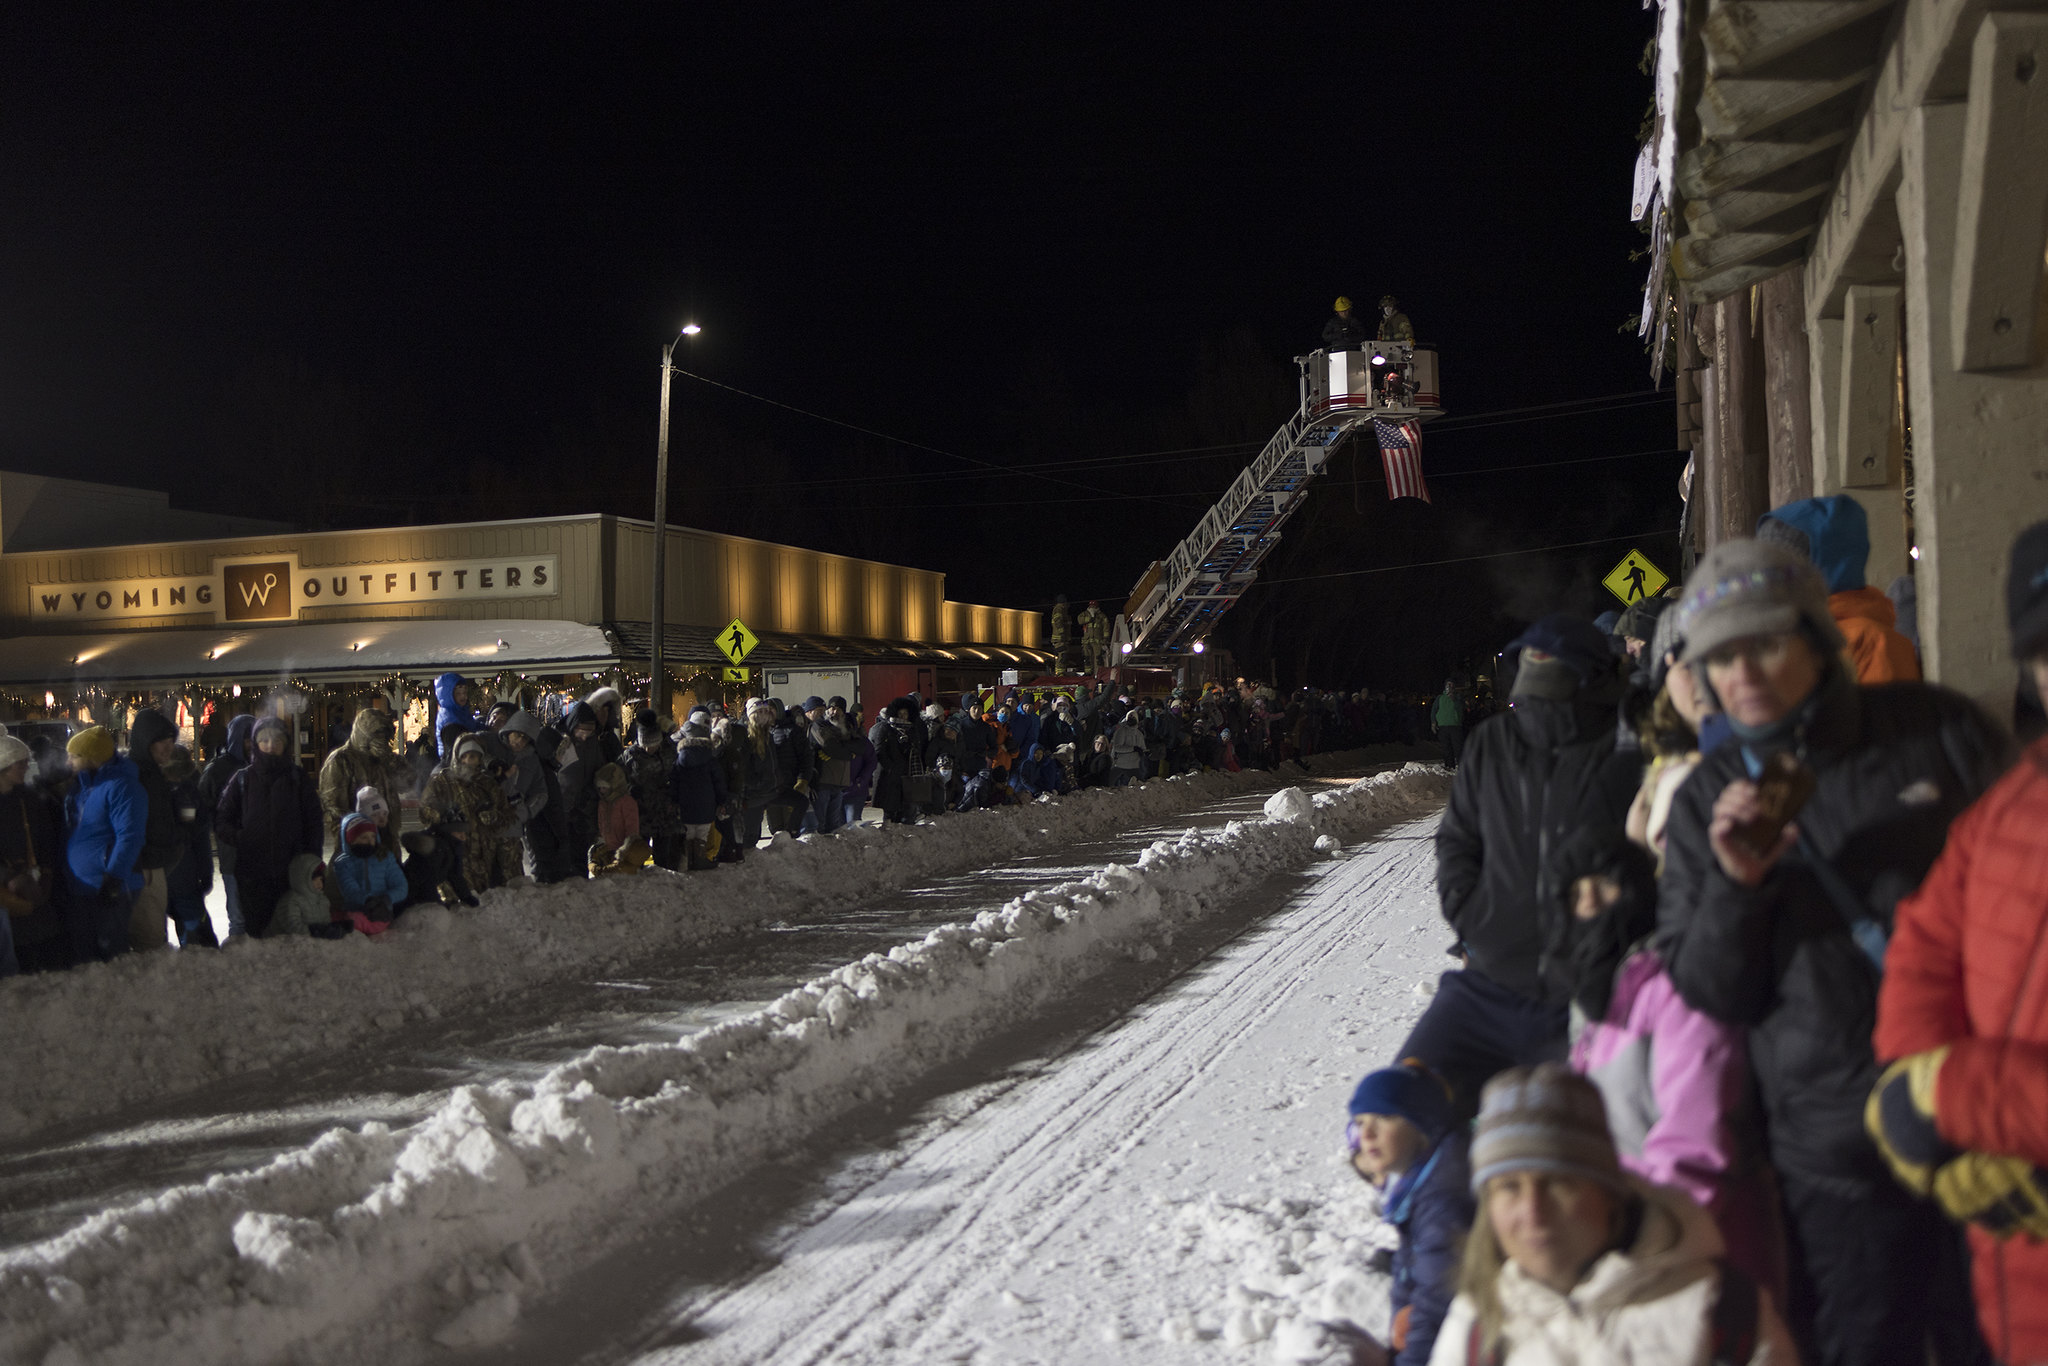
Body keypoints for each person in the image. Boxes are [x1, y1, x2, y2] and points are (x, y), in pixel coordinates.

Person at [1654, 538, 2006, 1366]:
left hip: (1977, 1101)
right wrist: (1737, 883)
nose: (1745, 673)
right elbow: (1710, 991)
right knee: (1861, 1341)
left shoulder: (1936, 729)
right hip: (1836, 1140)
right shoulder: (1708, 797)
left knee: (2000, 1334)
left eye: (1766, 643)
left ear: (1816, 639)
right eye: (1721, 657)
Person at [1866, 519, 2048, 1366]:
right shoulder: (2011, 805)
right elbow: (1924, 942)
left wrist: (1948, 1099)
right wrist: (1913, 1081)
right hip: (2009, 1276)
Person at [1411, 614, 1638, 1117]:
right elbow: (1458, 838)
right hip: (1493, 975)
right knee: (1411, 1109)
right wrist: (1471, 915)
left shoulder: (1629, 747)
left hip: (1596, 989)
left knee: (1572, 1140)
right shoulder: (1492, 742)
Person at [1550, 826, 1781, 1300]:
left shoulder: (1675, 990)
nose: (1591, 903)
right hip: (1623, 1240)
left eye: (1604, 885)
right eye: (1577, 894)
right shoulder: (1599, 1006)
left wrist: (1633, 1243)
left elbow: (1696, 1142)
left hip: (1698, 1251)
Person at [1435, 1063, 1797, 1365]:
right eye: (1509, 1187)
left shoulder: (1722, 1314)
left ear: (1609, 1192)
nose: (1533, 1212)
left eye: (1560, 1182)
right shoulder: (1475, 1329)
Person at [1345, 1062, 1470, 1366]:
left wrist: (1408, 1360)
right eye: (1360, 1122)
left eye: (1384, 1117)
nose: (1368, 1134)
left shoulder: (1443, 1201)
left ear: (1422, 1127)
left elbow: (1436, 1305)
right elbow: (1411, 1273)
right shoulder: (1418, 1187)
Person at [1757, 495, 1919, 683]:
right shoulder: (1782, 635)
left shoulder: (1872, 642)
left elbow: (1887, 712)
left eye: (1780, 567)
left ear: (1818, 569)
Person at [214, 715, 323, 938]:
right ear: (256, 743)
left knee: (292, 931)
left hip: (292, 872)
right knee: (257, 932)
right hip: (252, 874)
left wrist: (313, 865)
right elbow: (222, 820)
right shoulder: (242, 779)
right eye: (264, 740)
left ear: (285, 743)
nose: (271, 746)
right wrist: (241, 837)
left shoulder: (298, 778)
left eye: (277, 740)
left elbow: (314, 825)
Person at [63, 725, 147, 960]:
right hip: (84, 884)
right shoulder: (82, 787)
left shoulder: (123, 787)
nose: (68, 761)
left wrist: (114, 878)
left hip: (111, 884)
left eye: (73, 756)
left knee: (110, 951)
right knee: (88, 951)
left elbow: (130, 835)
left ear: (91, 757)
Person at [0, 733, 69, 973]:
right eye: (20, 763)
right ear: (4, 766)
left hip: (36, 885)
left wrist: (48, 874)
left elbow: (46, 837)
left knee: (43, 948)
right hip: (7, 892)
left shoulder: (30, 798)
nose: (27, 767)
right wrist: (9, 877)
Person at [423, 733, 516, 894]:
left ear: (480, 759)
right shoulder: (442, 782)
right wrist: (444, 820)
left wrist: (494, 817)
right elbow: (425, 810)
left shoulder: (488, 784)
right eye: (463, 756)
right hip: (452, 853)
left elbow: (507, 815)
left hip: (482, 855)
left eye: (472, 757)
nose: (467, 761)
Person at [126, 708, 186, 951]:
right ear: (145, 740)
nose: (168, 747)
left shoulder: (153, 774)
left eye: (171, 741)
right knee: (149, 941)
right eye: (161, 740)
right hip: (145, 868)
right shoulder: (136, 775)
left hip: (155, 863)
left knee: (154, 934)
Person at [197, 713, 256, 937]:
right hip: (232, 849)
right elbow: (204, 807)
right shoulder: (217, 770)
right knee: (238, 914)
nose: (252, 744)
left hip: (260, 850)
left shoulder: (263, 765)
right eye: (247, 739)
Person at [318, 707, 407, 856]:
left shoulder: (382, 759)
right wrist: (355, 834)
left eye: (384, 735)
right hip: (357, 841)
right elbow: (332, 806)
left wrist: (391, 761)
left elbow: (408, 782)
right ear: (364, 735)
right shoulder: (341, 760)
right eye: (377, 734)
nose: (381, 740)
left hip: (388, 838)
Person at [160, 745, 217, 948]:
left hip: (176, 874)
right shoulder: (188, 793)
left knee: (163, 936)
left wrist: (206, 871)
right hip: (176, 874)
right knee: (190, 931)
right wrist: (205, 871)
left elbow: (200, 837)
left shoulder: (187, 793)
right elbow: (199, 836)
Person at [499, 710, 566, 883]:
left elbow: (540, 792)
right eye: (518, 735)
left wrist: (527, 811)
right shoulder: (495, 750)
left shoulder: (531, 760)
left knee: (512, 877)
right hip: (488, 822)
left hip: (513, 825)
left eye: (525, 738)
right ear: (509, 731)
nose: (520, 741)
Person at [621, 713, 682, 869]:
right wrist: (631, 790)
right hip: (641, 814)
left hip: (665, 813)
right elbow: (620, 781)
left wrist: (674, 795)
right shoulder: (631, 756)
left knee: (664, 858)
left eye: (653, 745)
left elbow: (678, 774)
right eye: (645, 745)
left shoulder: (669, 750)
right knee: (638, 856)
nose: (649, 749)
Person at [670, 714, 729, 869]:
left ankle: (687, 860)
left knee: (688, 833)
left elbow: (674, 782)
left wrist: (674, 801)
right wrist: (722, 801)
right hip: (706, 804)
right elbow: (719, 782)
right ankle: (699, 859)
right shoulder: (710, 758)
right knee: (702, 834)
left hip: (685, 805)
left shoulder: (680, 759)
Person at [331, 812, 405, 929]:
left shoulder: (385, 858)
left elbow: (400, 885)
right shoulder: (343, 863)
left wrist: (386, 900)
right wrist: (368, 901)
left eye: (373, 836)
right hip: (356, 910)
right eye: (364, 837)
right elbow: (349, 889)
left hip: (383, 912)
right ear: (351, 840)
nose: (370, 842)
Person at [869, 697, 929, 824]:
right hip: (890, 778)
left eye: (905, 714)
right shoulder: (885, 728)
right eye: (900, 713)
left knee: (907, 811)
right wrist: (891, 768)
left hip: (909, 776)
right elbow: (879, 751)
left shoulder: (913, 730)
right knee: (890, 812)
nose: (902, 716)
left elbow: (918, 750)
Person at [402, 810, 478, 908]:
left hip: (418, 894)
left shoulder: (452, 846)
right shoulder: (437, 849)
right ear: (448, 831)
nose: (463, 837)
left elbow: (455, 875)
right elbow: (426, 881)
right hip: (409, 895)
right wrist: (436, 904)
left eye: (464, 832)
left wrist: (466, 897)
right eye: (459, 832)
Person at [266, 853, 348, 938]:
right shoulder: (291, 901)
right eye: (314, 879)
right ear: (302, 878)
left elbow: (325, 922)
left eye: (321, 879)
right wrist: (317, 931)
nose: (319, 883)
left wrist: (334, 928)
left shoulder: (323, 900)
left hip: (307, 944)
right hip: (278, 945)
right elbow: (293, 927)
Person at [431, 672, 487, 758]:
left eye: (465, 693)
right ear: (448, 695)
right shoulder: (449, 717)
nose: (463, 697)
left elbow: (472, 726)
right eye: (458, 694)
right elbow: (459, 740)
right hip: (454, 759)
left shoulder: (461, 711)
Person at [1431, 680, 1466, 769]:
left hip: (1455, 726)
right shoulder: (1439, 698)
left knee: (1458, 748)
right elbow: (1434, 710)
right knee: (1446, 748)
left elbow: (1461, 709)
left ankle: (1462, 766)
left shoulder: (1458, 697)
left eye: (1451, 685)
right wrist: (1433, 723)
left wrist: (1454, 699)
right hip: (1443, 726)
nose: (1449, 687)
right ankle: (1449, 766)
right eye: (1448, 685)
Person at [1110, 709, 1147, 785]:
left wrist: (1144, 752)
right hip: (1121, 764)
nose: (1131, 719)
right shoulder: (1121, 731)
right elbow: (1117, 747)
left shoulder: (1139, 734)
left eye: (1133, 718)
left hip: (1135, 765)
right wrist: (1132, 748)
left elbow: (1142, 747)